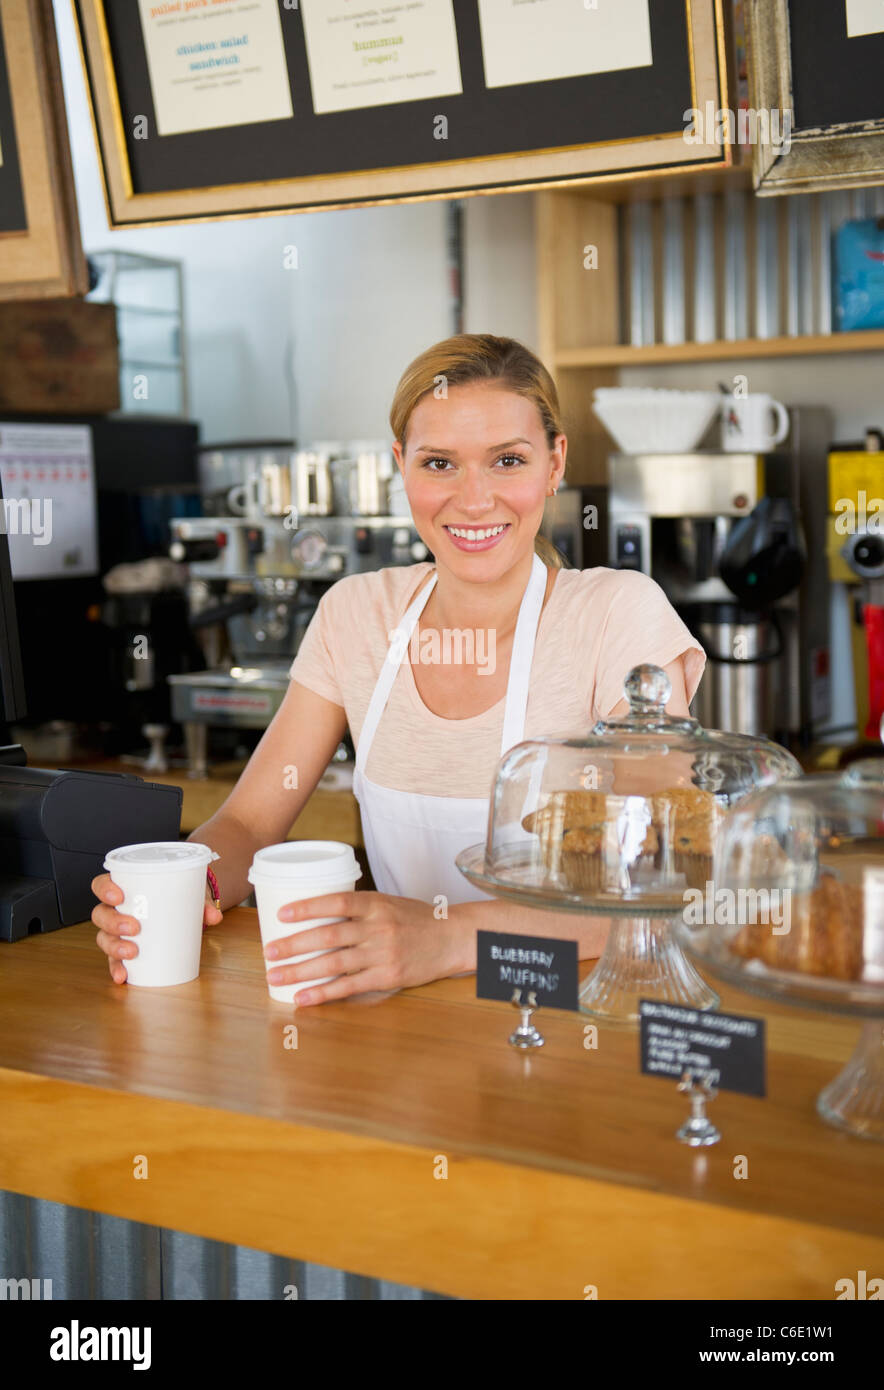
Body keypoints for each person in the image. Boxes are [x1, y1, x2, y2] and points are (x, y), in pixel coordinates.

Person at [92, 334, 705, 1003]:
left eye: (508, 460)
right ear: (400, 465)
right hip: (399, 1033)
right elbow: (248, 826)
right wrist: (189, 886)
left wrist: (442, 940)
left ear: (555, 463)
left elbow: (659, 873)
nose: (474, 500)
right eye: (439, 462)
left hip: (573, 1024)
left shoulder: (619, 617)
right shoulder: (357, 614)